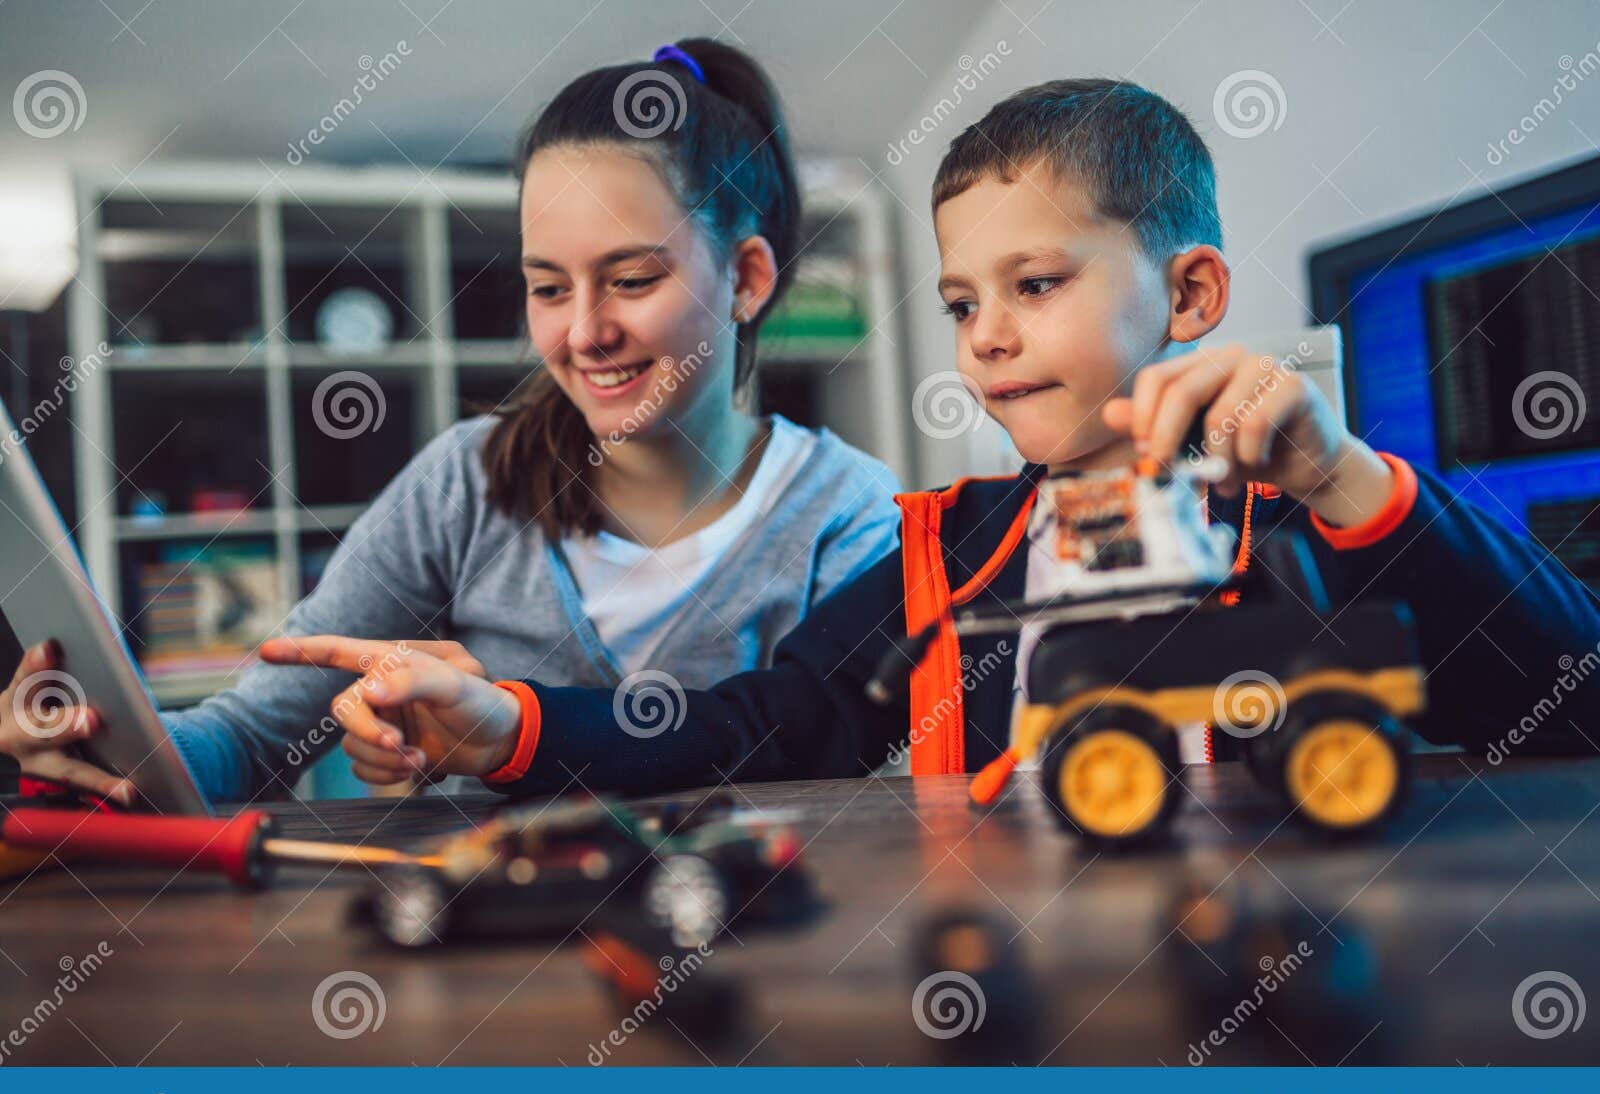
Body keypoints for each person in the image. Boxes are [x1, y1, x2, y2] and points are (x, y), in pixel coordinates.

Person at [262, 79, 1600, 798]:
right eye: (964, 302)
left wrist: (1349, 481)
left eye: (1037, 286)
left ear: (1190, 295)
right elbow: (753, 725)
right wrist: (513, 727)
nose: (987, 341)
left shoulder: (1315, 513)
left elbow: (1569, 696)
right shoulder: (942, 551)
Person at [0, 39, 900, 804]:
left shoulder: (852, 517)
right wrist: (107, 750)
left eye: (631, 280)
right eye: (548, 287)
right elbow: (247, 736)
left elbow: (843, 768)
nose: (584, 332)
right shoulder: (464, 484)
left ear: (745, 278)